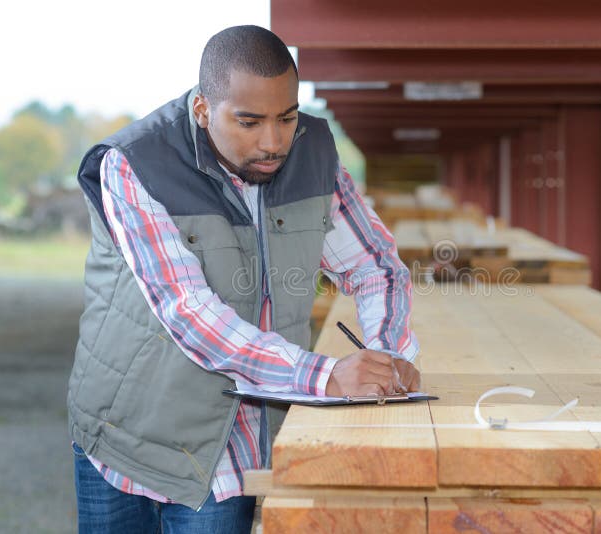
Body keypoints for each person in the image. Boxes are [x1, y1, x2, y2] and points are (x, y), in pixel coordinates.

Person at [68, 25, 420, 533]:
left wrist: (386, 362)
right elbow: (189, 312)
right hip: (124, 433)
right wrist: (325, 376)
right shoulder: (133, 165)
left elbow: (375, 267)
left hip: (236, 449)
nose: (273, 142)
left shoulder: (314, 151)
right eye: (249, 122)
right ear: (203, 110)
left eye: (287, 117)